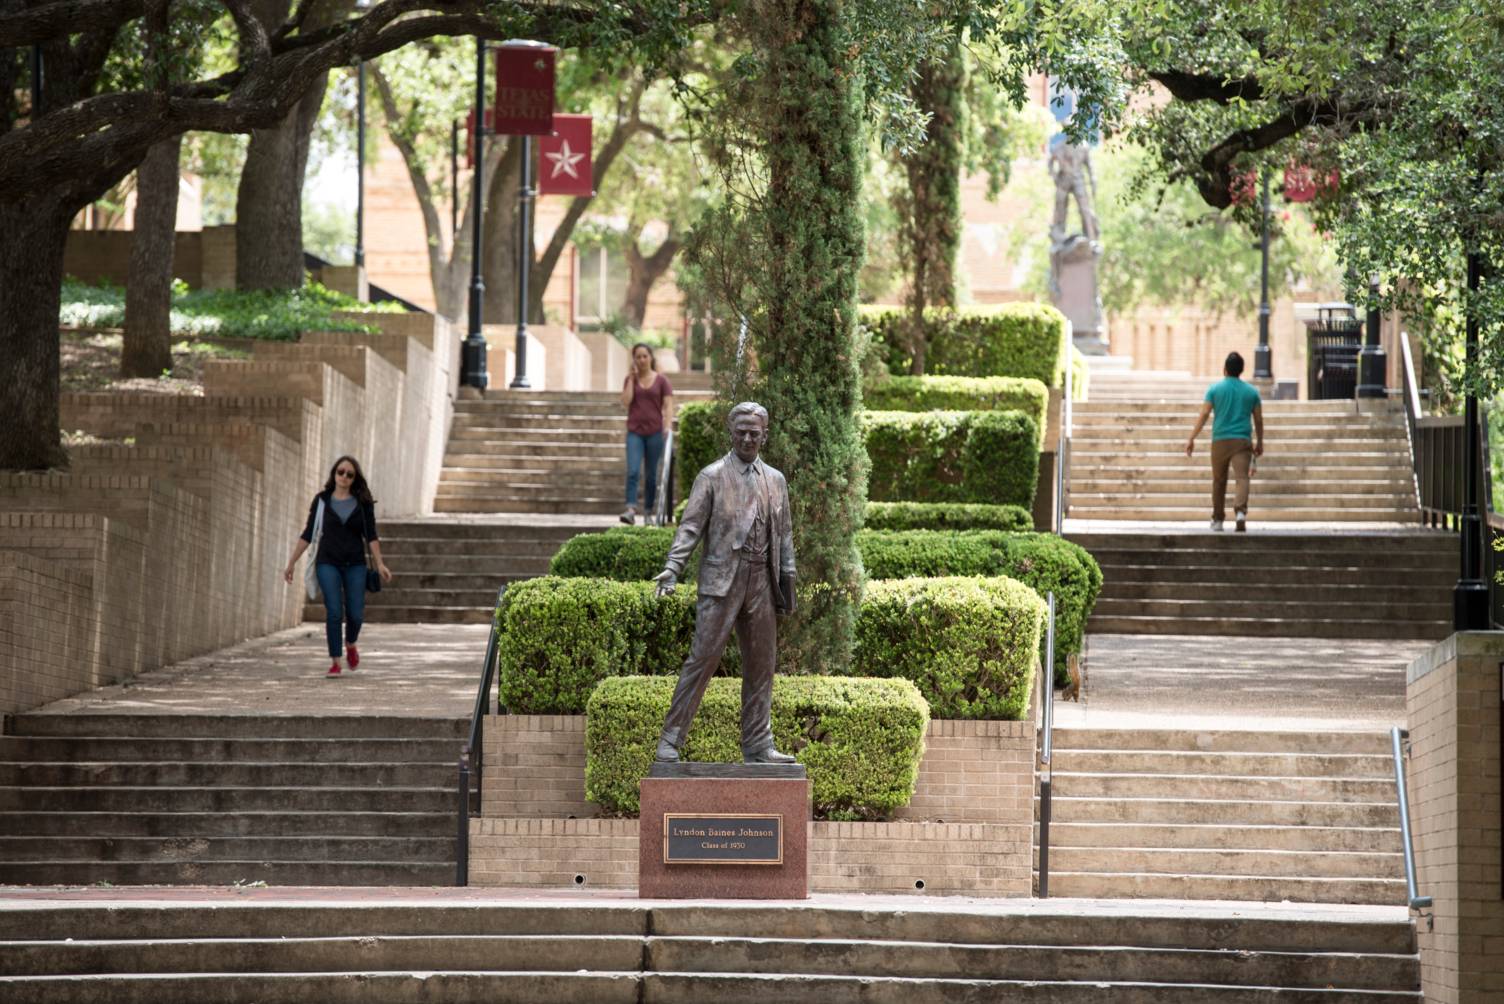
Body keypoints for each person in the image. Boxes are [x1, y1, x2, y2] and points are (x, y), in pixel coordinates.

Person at [651, 402, 797, 765]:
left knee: (761, 665)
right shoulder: (712, 476)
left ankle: (758, 744)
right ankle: (670, 739)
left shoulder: (776, 480)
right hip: (721, 582)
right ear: (731, 434)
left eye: (754, 432)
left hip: (762, 579)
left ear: (765, 434)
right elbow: (690, 527)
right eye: (741, 432)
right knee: (703, 659)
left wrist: (787, 580)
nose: (747, 438)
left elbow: (785, 535)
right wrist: (673, 567)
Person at [283, 456, 392, 676]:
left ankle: (350, 643)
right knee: (334, 612)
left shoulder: (362, 503)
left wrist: (380, 563)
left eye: (349, 474)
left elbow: (371, 535)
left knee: (355, 614)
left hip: (355, 564)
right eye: (340, 472)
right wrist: (292, 562)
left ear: (354, 478)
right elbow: (308, 534)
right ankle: (335, 661)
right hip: (327, 563)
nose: (344, 477)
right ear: (334, 474)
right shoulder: (322, 500)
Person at [1185, 352, 1265, 532]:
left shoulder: (1214, 389)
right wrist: (1259, 441)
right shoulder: (1252, 392)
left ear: (1225, 369)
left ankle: (1218, 520)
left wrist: (1192, 437)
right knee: (1242, 478)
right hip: (1242, 441)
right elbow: (1258, 420)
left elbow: (1204, 414)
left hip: (1220, 440)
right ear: (1242, 370)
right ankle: (1240, 512)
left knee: (1219, 480)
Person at [620, 342, 674, 525]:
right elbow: (626, 402)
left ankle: (648, 511)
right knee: (633, 471)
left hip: (655, 433)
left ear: (650, 358)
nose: (642, 360)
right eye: (638, 357)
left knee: (651, 475)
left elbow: (668, 405)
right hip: (635, 432)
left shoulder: (662, 381)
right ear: (634, 360)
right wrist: (632, 378)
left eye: (645, 356)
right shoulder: (630, 380)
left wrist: (667, 426)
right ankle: (630, 509)